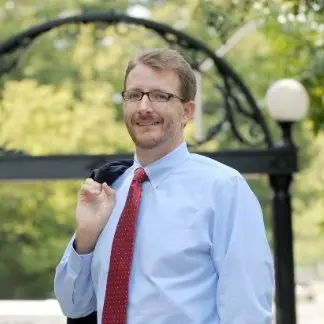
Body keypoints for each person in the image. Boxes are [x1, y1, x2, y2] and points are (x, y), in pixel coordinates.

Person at [54, 48, 274, 324]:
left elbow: (247, 311)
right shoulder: (108, 191)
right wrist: (85, 238)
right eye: (134, 95)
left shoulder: (224, 189)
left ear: (187, 111)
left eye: (160, 96)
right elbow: (73, 306)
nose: (144, 107)